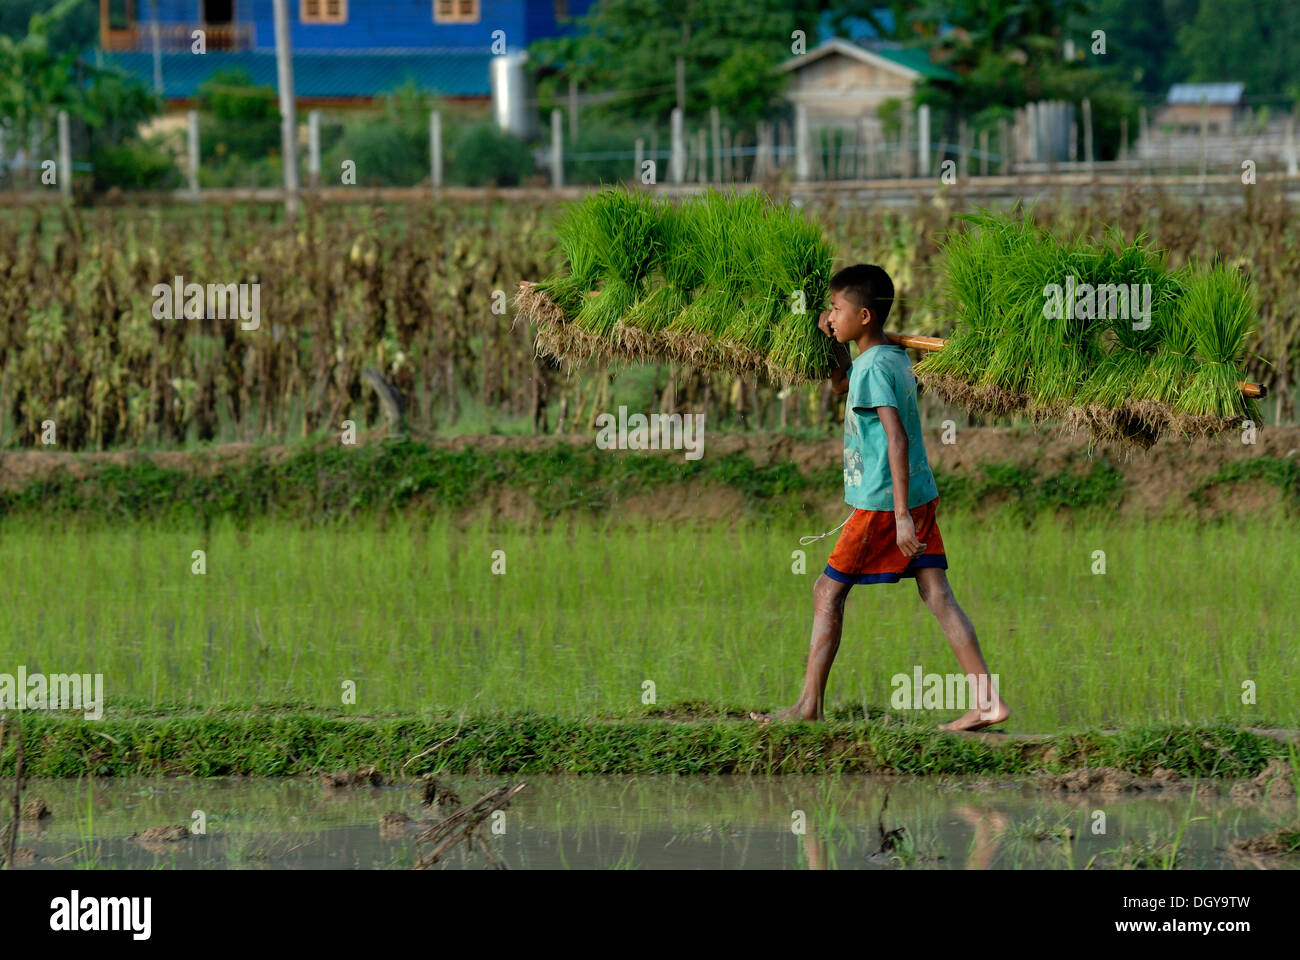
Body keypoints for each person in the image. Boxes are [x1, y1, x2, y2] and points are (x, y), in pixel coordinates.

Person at [751, 264, 1009, 732]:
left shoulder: (875, 366)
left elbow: (896, 439)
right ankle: (987, 701)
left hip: (883, 505)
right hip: (918, 495)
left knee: (826, 593)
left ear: (865, 315)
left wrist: (900, 518)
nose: (829, 315)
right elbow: (840, 386)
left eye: (836, 309)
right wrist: (831, 341)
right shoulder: (890, 359)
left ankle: (809, 706)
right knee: (938, 595)